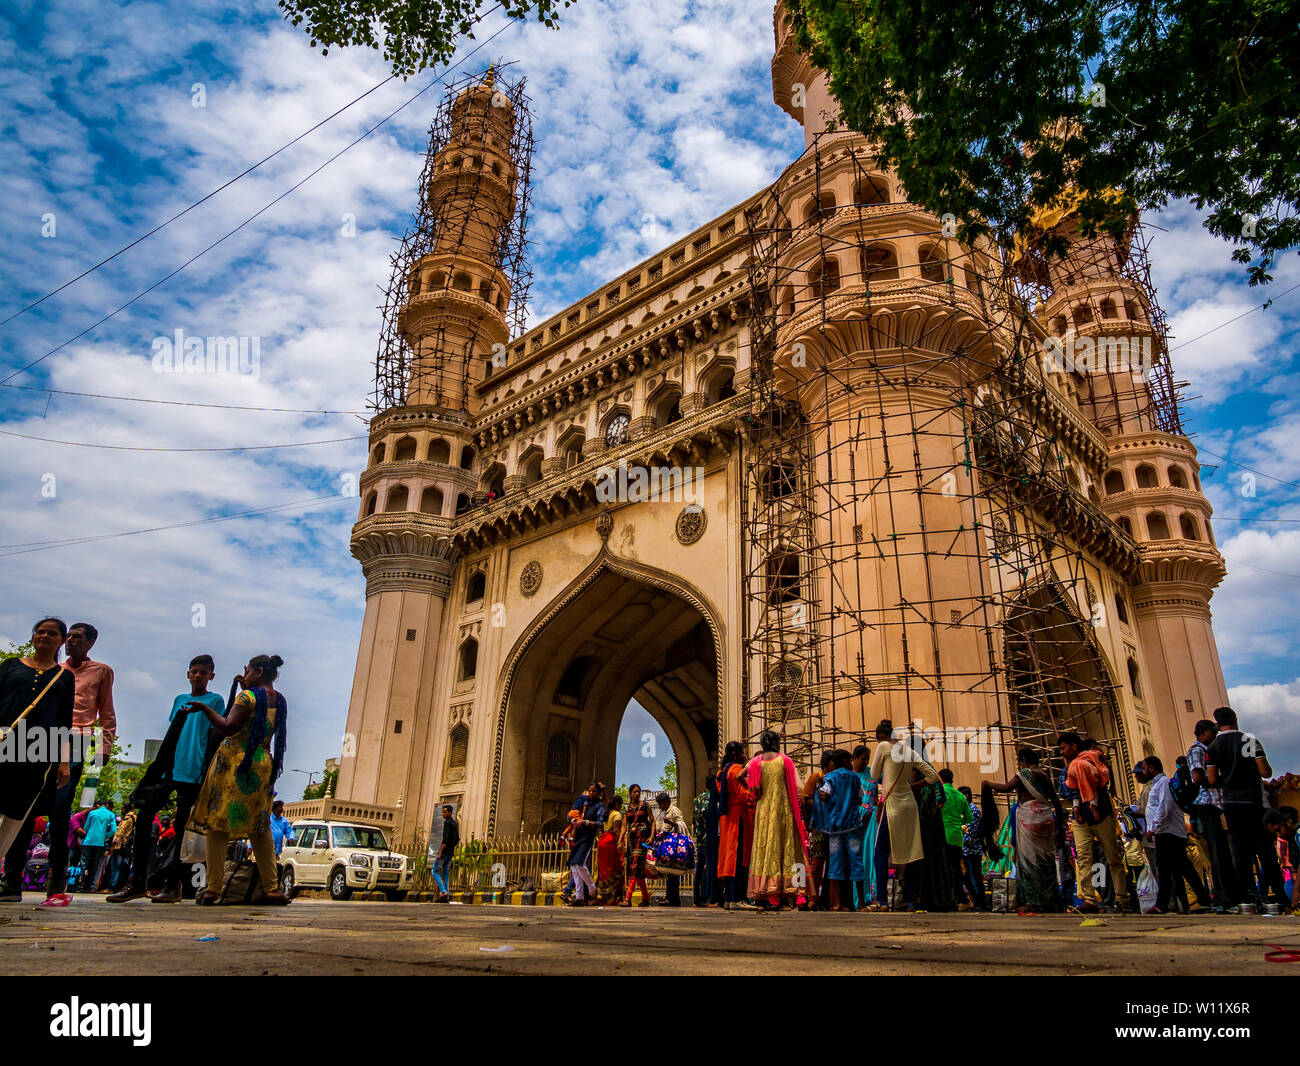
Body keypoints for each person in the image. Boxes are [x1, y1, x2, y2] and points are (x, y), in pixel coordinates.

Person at [109, 655, 227, 904]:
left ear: (211, 676)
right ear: (188, 674)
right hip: (169, 768)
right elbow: (174, 732)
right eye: (194, 671)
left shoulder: (215, 700)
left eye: (203, 672)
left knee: (182, 831)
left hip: (194, 771)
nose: (198, 676)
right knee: (143, 818)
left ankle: (173, 885)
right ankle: (138, 880)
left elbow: (214, 735)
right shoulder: (180, 700)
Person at [187, 654, 290, 905]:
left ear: (258, 671)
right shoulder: (279, 699)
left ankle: (212, 888)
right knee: (259, 825)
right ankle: (271, 887)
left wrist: (204, 708)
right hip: (262, 764)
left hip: (236, 762)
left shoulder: (247, 697)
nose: (244, 672)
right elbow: (258, 718)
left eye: (248, 669)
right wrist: (246, 689)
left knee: (218, 821)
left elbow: (229, 726)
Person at [38, 622, 116, 907]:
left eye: (77, 637)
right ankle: (10, 880)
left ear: (91, 643)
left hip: (78, 739)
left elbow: (106, 711)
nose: (70, 641)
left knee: (60, 808)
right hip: (42, 738)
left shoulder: (102, 671)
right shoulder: (54, 670)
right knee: (25, 806)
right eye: (68, 636)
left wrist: (104, 748)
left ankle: (56, 881)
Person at [0, 618, 76, 903]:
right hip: (4, 741)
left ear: (62, 641)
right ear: (33, 638)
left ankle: (9, 881)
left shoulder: (64, 677)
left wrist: (64, 761)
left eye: (52, 633)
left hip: (39, 750)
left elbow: (64, 722)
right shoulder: (10, 666)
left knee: (18, 813)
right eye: (40, 631)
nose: (44, 636)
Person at [1206, 705, 1287, 909]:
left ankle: (1246, 897)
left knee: (1240, 852)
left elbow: (1212, 778)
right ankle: (1278, 894)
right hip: (1253, 801)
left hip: (1231, 803)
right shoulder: (1248, 741)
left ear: (1217, 724)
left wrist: (1229, 778)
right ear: (1235, 720)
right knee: (1265, 850)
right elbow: (1265, 771)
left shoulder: (1214, 747)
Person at [870, 720, 941, 910]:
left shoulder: (883, 746)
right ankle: (908, 899)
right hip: (910, 806)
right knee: (911, 853)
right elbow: (933, 776)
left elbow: (874, 774)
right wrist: (913, 787)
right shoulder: (910, 752)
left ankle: (883, 900)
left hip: (892, 805)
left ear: (882, 737)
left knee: (880, 852)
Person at [985, 748, 1065, 914]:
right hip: (1046, 818)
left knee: (1030, 862)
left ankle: (1032, 901)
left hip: (1030, 818)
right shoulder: (1043, 775)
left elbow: (1006, 788)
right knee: (1046, 861)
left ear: (1023, 760)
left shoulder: (1025, 773)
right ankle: (1052, 901)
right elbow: (1056, 802)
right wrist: (1060, 828)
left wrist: (989, 784)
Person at [1058, 732, 1129, 913]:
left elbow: (1101, 781)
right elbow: (1064, 790)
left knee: (1112, 857)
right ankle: (1089, 900)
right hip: (1081, 818)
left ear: (1074, 746)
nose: (1061, 752)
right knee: (1083, 857)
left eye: (1063, 748)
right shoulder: (1070, 768)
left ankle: (1122, 899)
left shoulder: (1089, 761)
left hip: (1101, 815)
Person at [745, 730, 809, 910]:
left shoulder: (756, 762)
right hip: (784, 810)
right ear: (778, 743)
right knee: (791, 850)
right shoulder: (785, 760)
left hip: (764, 813)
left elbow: (739, 776)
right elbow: (797, 787)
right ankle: (799, 897)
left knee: (768, 852)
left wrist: (753, 790)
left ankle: (772, 897)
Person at [1142, 755, 1210, 914]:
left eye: (1145, 768)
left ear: (1152, 768)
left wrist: (1152, 828)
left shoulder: (1164, 783)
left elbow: (1164, 807)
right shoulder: (1158, 783)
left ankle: (1165, 904)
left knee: (1174, 868)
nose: (1144, 771)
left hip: (1168, 832)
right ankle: (1169, 904)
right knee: (1176, 868)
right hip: (1165, 832)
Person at [1187, 719, 1235, 910]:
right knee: (1217, 854)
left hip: (1216, 806)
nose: (1215, 736)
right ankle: (1222, 897)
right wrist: (1221, 780)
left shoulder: (1210, 750)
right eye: (1212, 732)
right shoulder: (1197, 750)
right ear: (1202, 732)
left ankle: (1227, 895)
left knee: (1222, 854)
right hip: (1207, 806)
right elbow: (1198, 777)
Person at [814, 749, 863, 911]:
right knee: (856, 862)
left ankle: (836, 903)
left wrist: (819, 785)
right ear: (844, 761)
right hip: (853, 827)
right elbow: (859, 798)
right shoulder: (855, 777)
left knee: (835, 865)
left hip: (835, 828)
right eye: (849, 760)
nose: (851, 763)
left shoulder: (829, 778)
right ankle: (861, 903)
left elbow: (824, 796)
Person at [716, 740, 756, 910]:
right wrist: (757, 794)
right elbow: (743, 795)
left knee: (729, 858)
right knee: (738, 858)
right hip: (737, 818)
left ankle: (729, 899)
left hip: (727, 820)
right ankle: (737, 898)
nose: (745, 756)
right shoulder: (735, 770)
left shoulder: (721, 771)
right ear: (734, 755)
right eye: (742, 753)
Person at [801, 751, 834, 908]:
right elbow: (805, 799)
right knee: (818, 861)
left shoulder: (835, 778)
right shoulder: (816, 777)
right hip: (819, 826)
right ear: (828, 763)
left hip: (833, 826)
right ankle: (812, 898)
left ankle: (827, 897)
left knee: (832, 863)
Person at [937, 768, 974, 909]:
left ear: (940, 779)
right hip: (957, 837)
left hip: (943, 836)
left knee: (947, 870)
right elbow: (969, 818)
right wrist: (958, 821)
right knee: (956, 868)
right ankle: (961, 900)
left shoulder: (940, 793)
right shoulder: (960, 796)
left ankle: (960, 900)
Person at [851, 745, 880, 910]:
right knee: (857, 859)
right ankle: (857, 899)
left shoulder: (872, 773)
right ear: (854, 758)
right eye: (863, 758)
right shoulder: (850, 776)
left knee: (870, 858)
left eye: (867, 759)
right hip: (854, 822)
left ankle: (871, 896)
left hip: (870, 821)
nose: (865, 762)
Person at [621, 783, 655, 906]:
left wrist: (651, 836)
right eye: (634, 792)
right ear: (630, 794)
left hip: (642, 840)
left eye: (638, 792)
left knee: (635, 866)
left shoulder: (646, 806)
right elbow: (624, 825)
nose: (637, 794)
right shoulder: (626, 808)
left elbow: (653, 820)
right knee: (638, 869)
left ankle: (627, 898)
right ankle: (645, 898)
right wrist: (620, 840)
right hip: (631, 840)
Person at [653, 791, 687, 907]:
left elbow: (681, 824)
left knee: (673, 873)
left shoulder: (674, 810)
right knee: (670, 873)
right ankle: (671, 898)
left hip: (674, 846)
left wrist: (671, 823)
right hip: (668, 846)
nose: (660, 807)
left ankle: (672, 898)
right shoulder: (666, 812)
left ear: (666, 802)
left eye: (660, 804)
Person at [958, 785, 989, 911]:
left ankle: (980, 903)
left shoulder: (971, 811)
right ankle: (977, 902)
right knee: (970, 877)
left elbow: (969, 834)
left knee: (973, 877)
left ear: (965, 796)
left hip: (972, 850)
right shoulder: (968, 810)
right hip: (969, 850)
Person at [692, 779, 721, 907]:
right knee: (710, 868)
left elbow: (694, 818)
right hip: (709, 838)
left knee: (698, 869)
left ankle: (696, 899)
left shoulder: (697, 799)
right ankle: (710, 898)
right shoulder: (712, 799)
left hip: (699, 837)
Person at [78, 799, 116, 892]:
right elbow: (113, 830)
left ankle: (81, 883)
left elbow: (86, 827)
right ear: (106, 805)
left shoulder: (92, 813)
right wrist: (105, 835)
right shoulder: (111, 814)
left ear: (98, 805)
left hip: (88, 841)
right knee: (95, 864)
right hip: (100, 842)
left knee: (84, 862)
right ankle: (90, 886)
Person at [596, 794, 626, 905]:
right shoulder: (616, 814)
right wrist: (620, 843)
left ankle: (602, 897)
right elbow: (617, 830)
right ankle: (612, 898)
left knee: (604, 872)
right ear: (617, 804)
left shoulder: (605, 814)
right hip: (610, 842)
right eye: (621, 804)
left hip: (602, 842)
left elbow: (600, 830)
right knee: (616, 870)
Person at [432, 804, 458, 901]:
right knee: (445, 871)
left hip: (444, 852)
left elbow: (445, 839)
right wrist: (451, 847)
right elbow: (457, 839)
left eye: (444, 812)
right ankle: (447, 893)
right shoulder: (455, 824)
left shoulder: (447, 823)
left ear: (450, 812)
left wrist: (440, 852)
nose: (442, 814)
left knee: (434, 870)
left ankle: (443, 891)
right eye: (442, 812)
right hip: (450, 852)